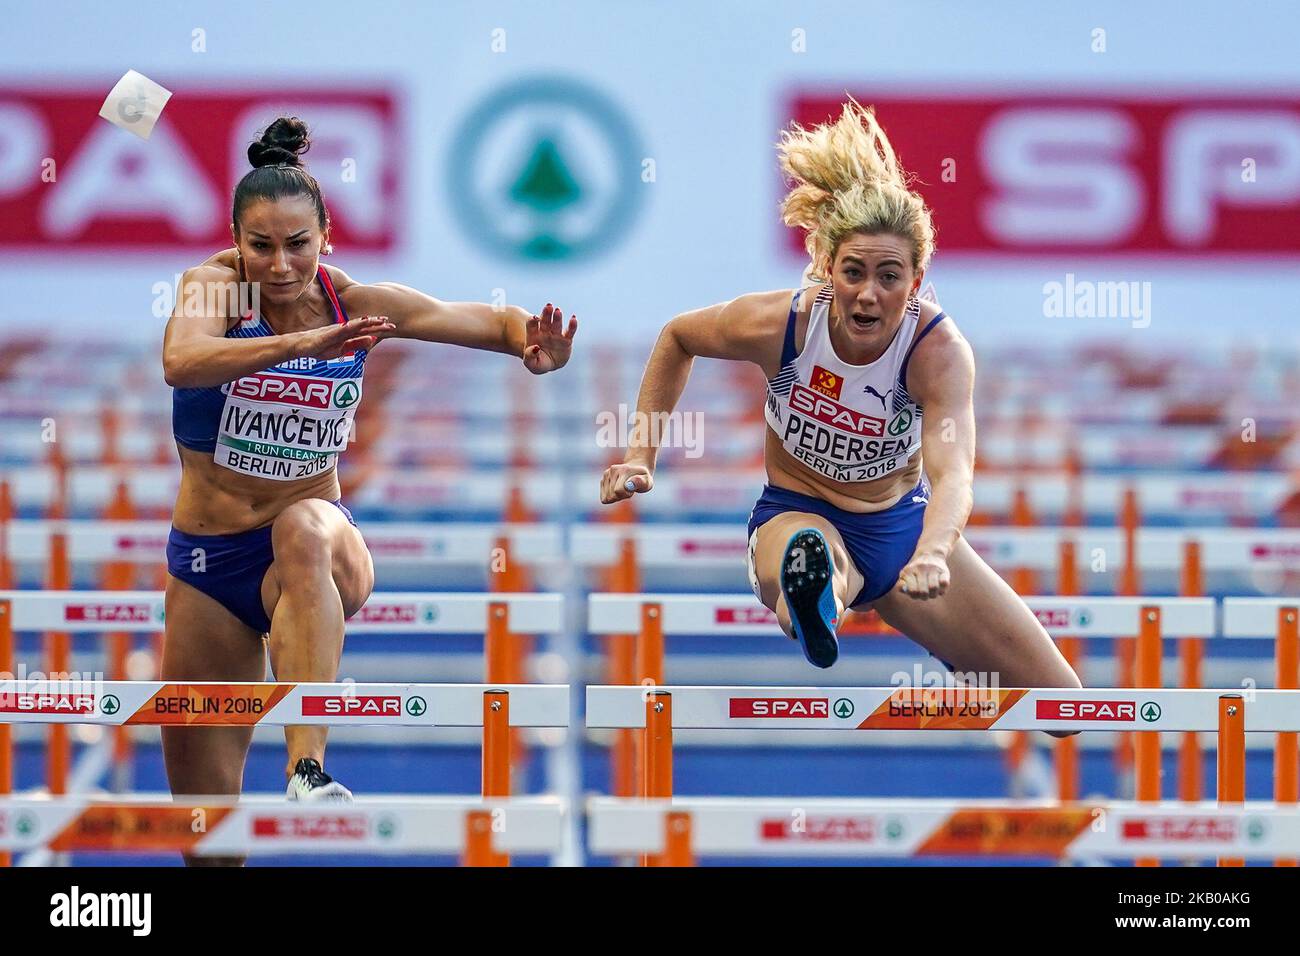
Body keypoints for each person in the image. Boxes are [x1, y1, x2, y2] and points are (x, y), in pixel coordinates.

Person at [163, 117, 576, 860]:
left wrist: (530, 344)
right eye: (261, 246)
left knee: (302, 526)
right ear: (234, 243)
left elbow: (480, 318)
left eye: (298, 245)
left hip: (319, 549)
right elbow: (183, 361)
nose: (281, 265)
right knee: (205, 835)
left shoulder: (355, 303)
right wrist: (299, 345)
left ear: (326, 239)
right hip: (207, 564)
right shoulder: (212, 291)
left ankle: (307, 767)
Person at [599, 101, 1078, 696]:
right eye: (853, 273)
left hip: (901, 531)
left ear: (917, 280)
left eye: (889, 277)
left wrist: (932, 552)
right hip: (798, 512)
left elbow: (954, 475)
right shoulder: (784, 325)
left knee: (1064, 706)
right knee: (814, 563)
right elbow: (678, 337)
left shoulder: (937, 351)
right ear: (826, 268)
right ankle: (816, 597)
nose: (869, 296)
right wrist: (641, 456)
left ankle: (921, 638)